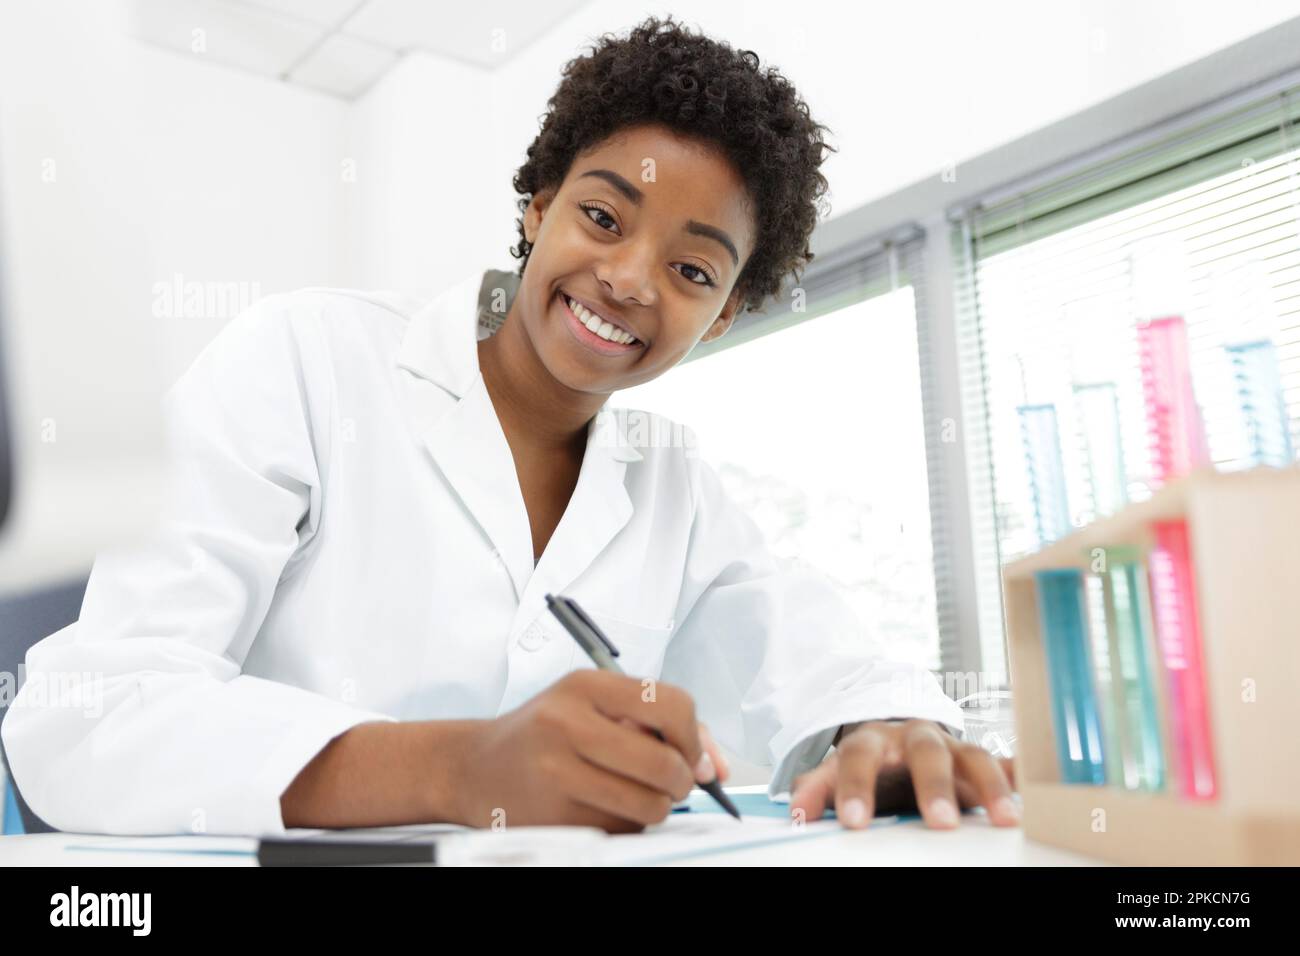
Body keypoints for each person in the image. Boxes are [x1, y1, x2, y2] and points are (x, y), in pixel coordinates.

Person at [2, 14, 1018, 837]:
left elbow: (814, 655)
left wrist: (884, 725)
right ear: (537, 206)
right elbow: (89, 717)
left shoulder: (671, 482)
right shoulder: (304, 359)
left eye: (692, 270)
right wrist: (460, 763)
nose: (626, 279)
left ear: (727, 313)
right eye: (603, 217)